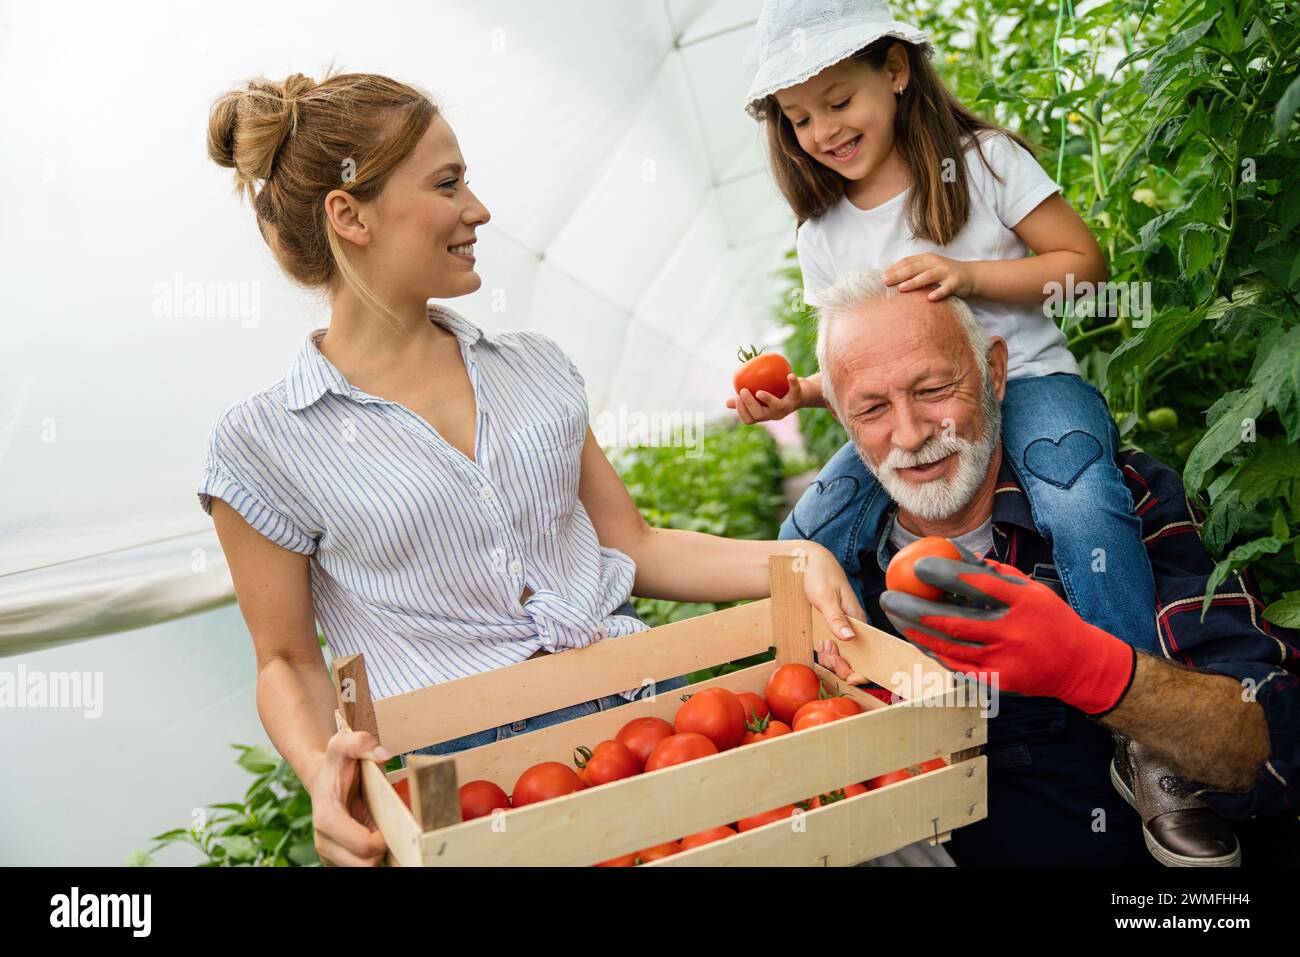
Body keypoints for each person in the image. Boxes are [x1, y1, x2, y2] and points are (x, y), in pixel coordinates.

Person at [198, 71, 866, 867]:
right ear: (349, 214)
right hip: (477, 797)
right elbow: (286, 660)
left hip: (649, 732)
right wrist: (322, 776)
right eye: (448, 184)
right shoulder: (265, 443)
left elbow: (634, 545)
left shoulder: (537, 370)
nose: (477, 210)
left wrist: (798, 557)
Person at [737, 0, 1186, 863]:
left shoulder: (982, 163)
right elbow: (852, 365)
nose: (822, 130)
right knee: (805, 536)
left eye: (838, 101)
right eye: (798, 119)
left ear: (896, 70)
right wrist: (798, 392)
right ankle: (844, 723)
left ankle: (1147, 739)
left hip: (1034, 385)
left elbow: (1083, 268)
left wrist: (968, 274)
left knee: (1084, 503)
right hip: (927, 404)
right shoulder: (823, 230)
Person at [803, 268, 1300, 866]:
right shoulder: (841, 575)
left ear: (993, 371)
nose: (909, 434)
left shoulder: (1122, 506)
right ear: (840, 417)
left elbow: (1272, 746)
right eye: (873, 408)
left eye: (934, 389)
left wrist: (1090, 669)